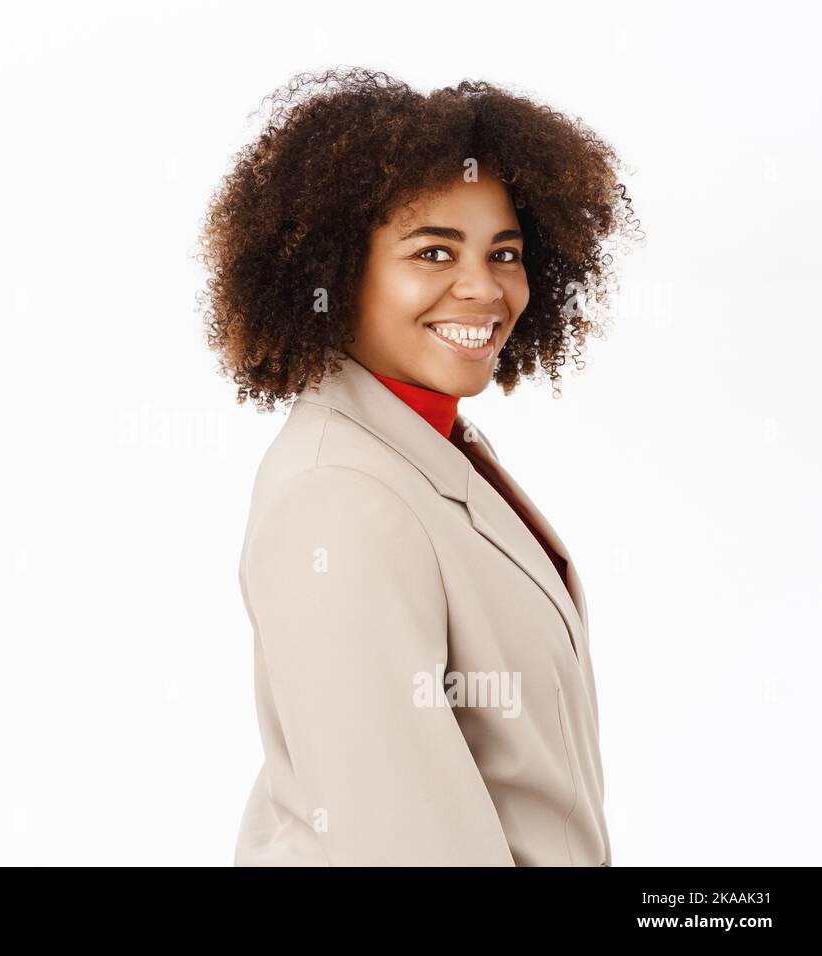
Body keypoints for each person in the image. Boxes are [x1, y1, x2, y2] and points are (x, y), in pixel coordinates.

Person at [198, 68, 642, 865]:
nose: (484, 288)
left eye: (504, 252)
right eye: (433, 251)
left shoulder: (428, 443)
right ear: (333, 273)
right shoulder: (337, 498)